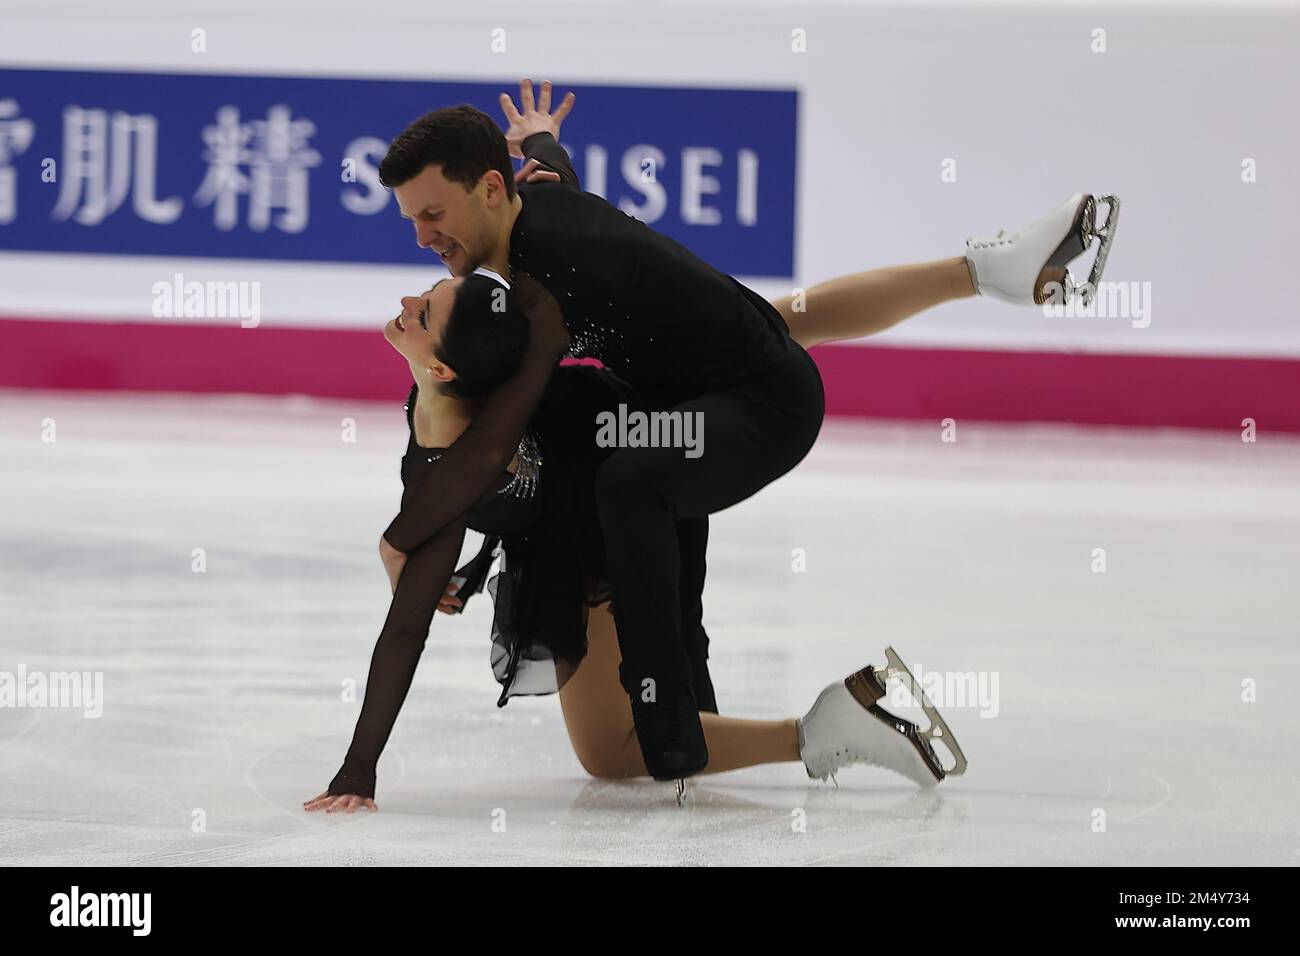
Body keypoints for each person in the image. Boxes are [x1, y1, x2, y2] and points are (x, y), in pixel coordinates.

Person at [367, 80, 1118, 784]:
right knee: (776, 327)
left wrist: (409, 541)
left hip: (752, 407)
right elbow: (548, 183)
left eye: (433, 215)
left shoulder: (538, 287)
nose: (421, 242)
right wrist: (541, 145)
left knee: (633, 477)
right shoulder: (520, 227)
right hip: (683, 387)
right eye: (411, 221)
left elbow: (492, 445)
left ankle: (673, 721)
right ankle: (991, 270)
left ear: (492, 189)